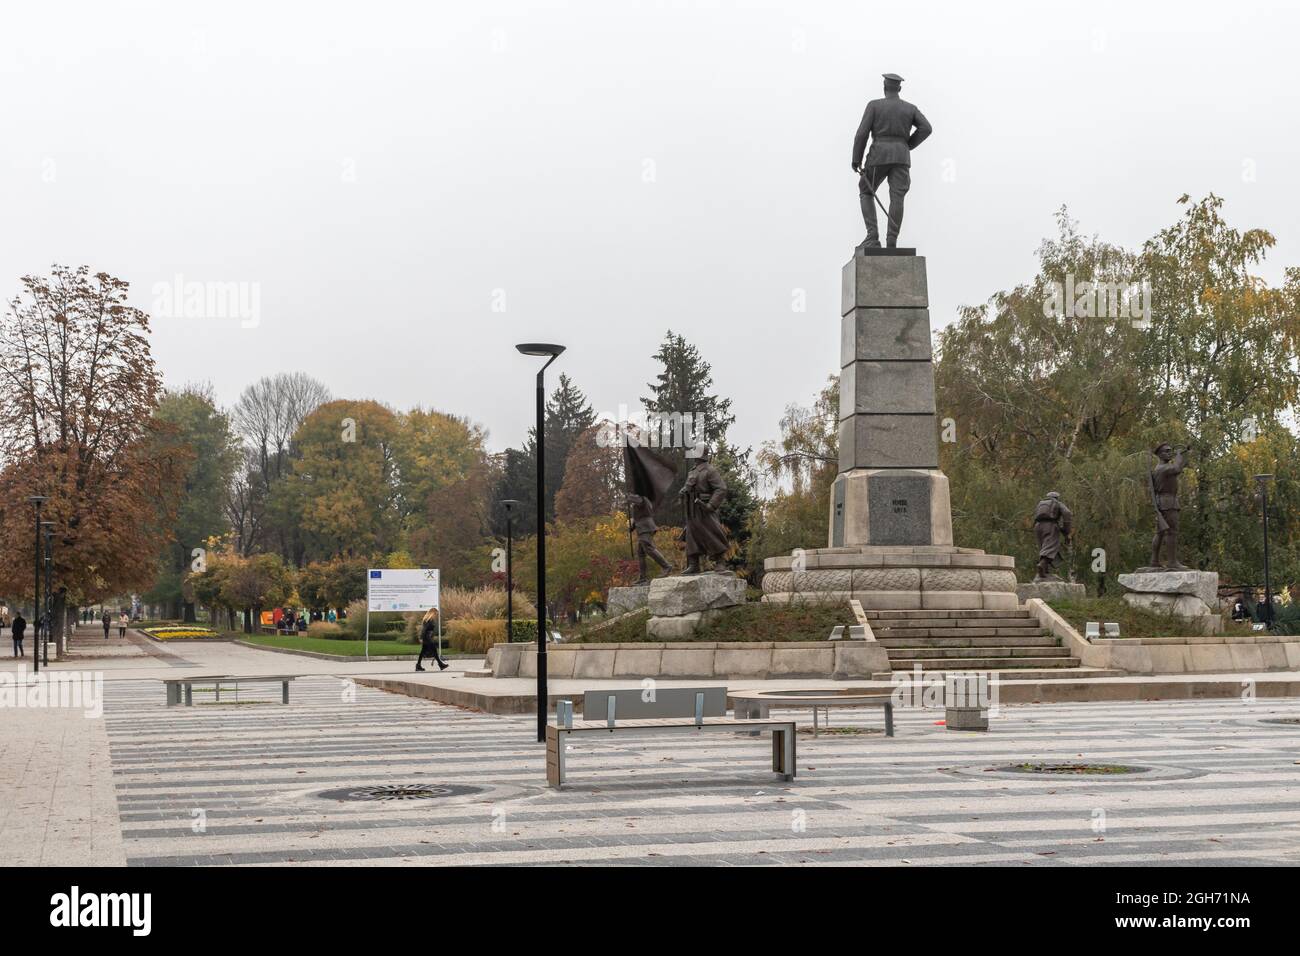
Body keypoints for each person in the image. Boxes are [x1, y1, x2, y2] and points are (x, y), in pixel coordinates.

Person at [851, 72, 932, 249]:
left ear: (884, 88)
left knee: (865, 190)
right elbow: (926, 128)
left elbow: (862, 134)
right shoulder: (910, 108)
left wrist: (856, 158)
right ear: (899, 89)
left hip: (878, 155)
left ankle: (872, 236)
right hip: (901, 157)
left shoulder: (874, 106)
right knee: (897, 198)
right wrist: (907, 145)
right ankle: (891, 240)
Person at [415, 606, 448, 672]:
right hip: (427, 638)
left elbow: (425, 629)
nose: (436, 615)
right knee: (434, 650)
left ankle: (418, 665)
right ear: (432, 613)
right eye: (435, 613)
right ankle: (441, 664)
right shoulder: (429, 620)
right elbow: (424, 629)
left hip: (426, 637)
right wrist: (422, 638)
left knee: (423, 652)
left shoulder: (426, 619)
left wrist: (423, 637)